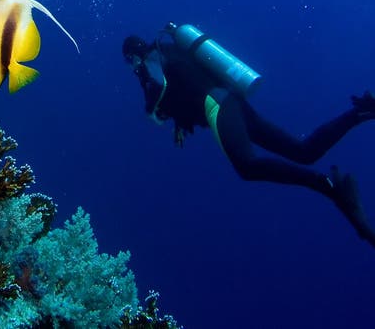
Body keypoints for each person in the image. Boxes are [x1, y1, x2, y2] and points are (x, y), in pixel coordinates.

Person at [123, 23, 375, 247]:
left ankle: (326, 185)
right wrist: (179, 121)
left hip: (217, 106)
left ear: (133, 56)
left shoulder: (150, 59)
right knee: (303, 151)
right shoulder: (171, 49)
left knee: (247, 166)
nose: (133, 68)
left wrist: (151, 110)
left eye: (130, 62)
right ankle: (358, 113)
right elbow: (182, 87)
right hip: (232, 100)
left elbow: (161, 86)